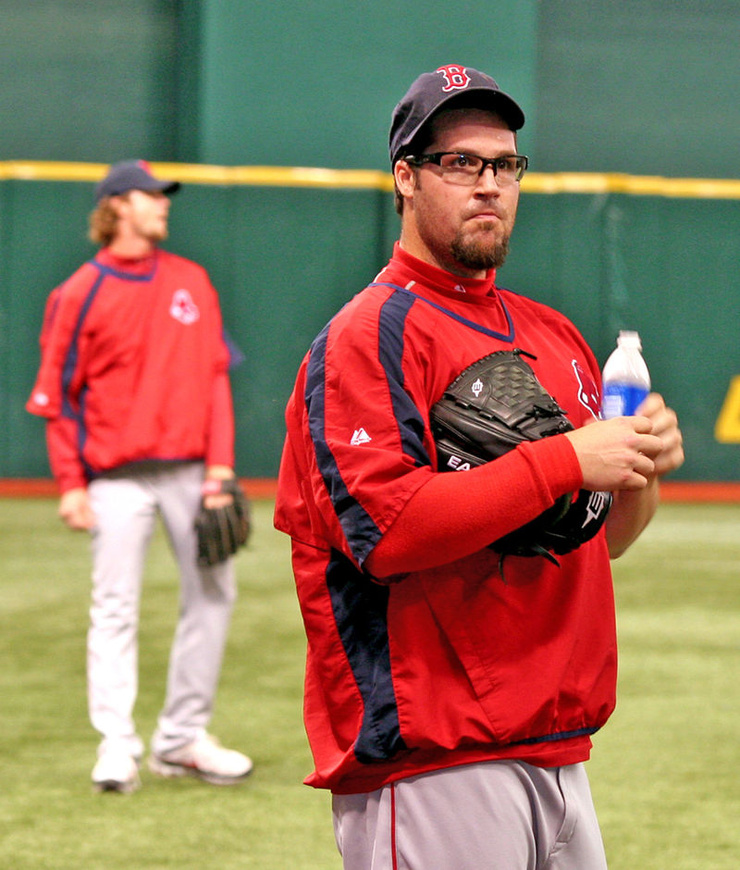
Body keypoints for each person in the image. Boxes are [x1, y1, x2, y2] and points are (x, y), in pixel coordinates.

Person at [274, 65, 684, 868]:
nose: (489, 185)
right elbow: (386, 531)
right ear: (405, 177)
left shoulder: (553, 333)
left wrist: (640, 469)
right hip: (433, 756)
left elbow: (598, 541)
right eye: (461, 163)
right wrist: (564, 457)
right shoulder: (367, 336)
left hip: (559, 746)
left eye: (505, 165)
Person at [27, 160, 253, 793]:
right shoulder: (77, 293)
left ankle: (181, 739)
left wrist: (220, 468)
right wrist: (70, 483)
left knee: (213, 595)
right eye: (152, 196)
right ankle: (117, 746)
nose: (164, 205)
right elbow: (58, 398)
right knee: (115, 607)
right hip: (116, 478)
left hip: (190, 471)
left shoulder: (191, 280)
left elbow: (214, 379)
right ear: (118, 206)